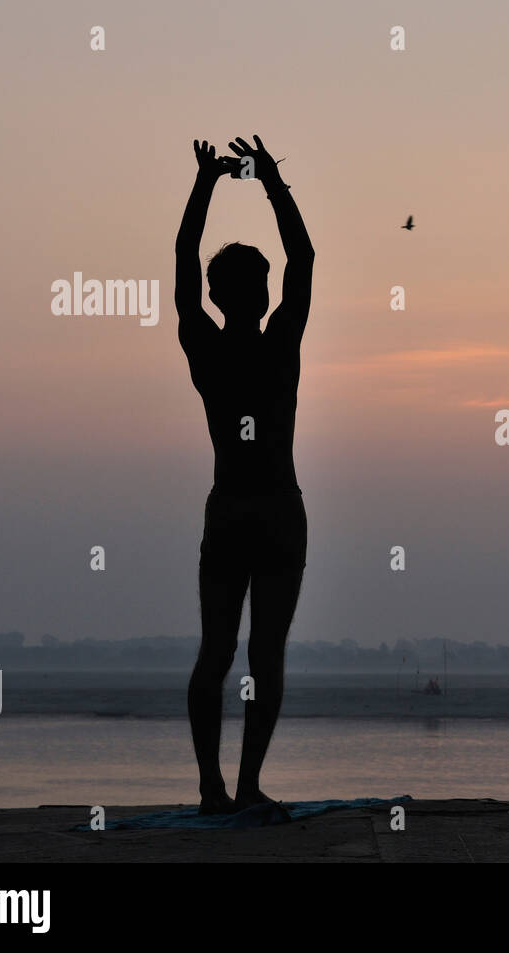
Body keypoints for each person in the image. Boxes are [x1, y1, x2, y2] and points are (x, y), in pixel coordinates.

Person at [175, 136, 315, 814]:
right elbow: (305, 259)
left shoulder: (211, 345)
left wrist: (207, 183)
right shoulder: (276, 343)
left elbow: (181, 264)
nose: (265, 289)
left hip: (241, 509)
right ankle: (231, 782)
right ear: (250, 294)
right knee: (253, 655)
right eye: (258, 281)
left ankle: (224, 785)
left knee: (230, 652)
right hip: (262, 510)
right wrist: (270, 183)